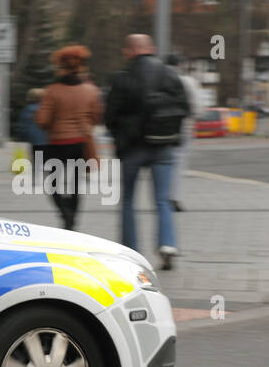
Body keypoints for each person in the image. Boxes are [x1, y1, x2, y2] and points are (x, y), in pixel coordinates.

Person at [105, 33, 191, 270]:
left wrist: (120, 135)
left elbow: (109, 116)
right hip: (163, 146)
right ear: (150, 48)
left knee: (128, 200)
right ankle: (167, 245)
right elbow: (185, 108)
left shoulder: (122, 78)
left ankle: (131, 251)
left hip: (132, 148)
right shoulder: (170, 74)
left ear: (129, 51)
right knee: (163, 199)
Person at [35, 45, 101, 231]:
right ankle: (72, 219)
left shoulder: (52, 91)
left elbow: (42, 120)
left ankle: (64, 211)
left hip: (57, 144)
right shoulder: (91, 91)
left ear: (61, 67)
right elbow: (96, 117)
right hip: (80, 145)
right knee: (76, 184)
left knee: (53, 183)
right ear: (81, 66)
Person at [165, 52, 202, 213]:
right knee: (178, 165)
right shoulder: (189, 82)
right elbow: (198, 107)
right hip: (183, 128)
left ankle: (162, 197)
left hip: (161, 129)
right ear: (179, 65)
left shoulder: (160, 80)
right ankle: (174, 198)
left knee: (163, 163)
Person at [16, 86, 48, 166]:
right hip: (48, 140)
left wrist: (20, 138)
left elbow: (23, 127)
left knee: (38, 161)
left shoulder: (27, 110)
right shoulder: (46, 109)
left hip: (35, 141)